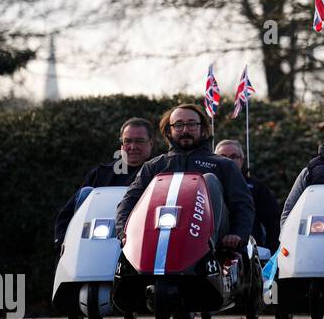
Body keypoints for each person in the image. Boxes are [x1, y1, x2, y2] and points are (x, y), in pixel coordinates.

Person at [115, 103, 254, 250]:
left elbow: (243, 204)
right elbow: (128, 202)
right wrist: (124, 234)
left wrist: (238, 234)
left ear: (203, 129)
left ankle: (205, 251)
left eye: (192, 124)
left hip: (216, 242)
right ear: (169, 130)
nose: (185, 130)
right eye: (179, 125)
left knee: (209, 180)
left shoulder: (224, 165)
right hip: (160, 236)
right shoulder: (154, 166)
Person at [53, 117, 154, 255]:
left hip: (141, 246)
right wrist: (62, 244)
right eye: (128, 141)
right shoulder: (100, 174)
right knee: (86, 192)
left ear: (151, 143)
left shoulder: (159, 174)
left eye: (139, 141)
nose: (133, 147)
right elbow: (67, 214)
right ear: (121, 145)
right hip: (96, 246)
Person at [214, 139, 281, 254]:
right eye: (223, 156)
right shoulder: (207, 186)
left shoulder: (257, 188)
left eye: (234, 156)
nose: (228, 160)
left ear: (242, 160)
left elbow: (273, 222)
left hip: (248, 251)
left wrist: (270, 251)